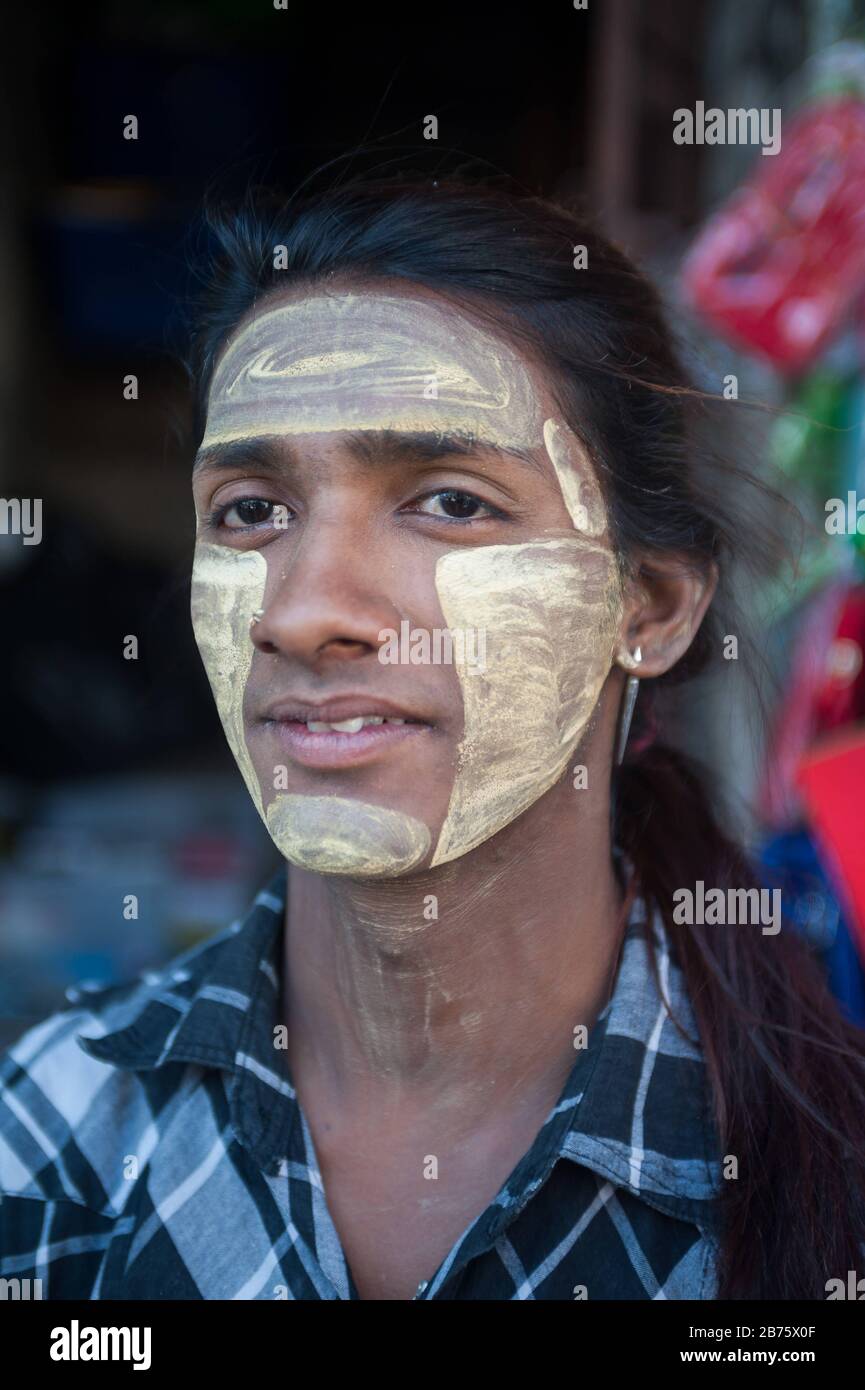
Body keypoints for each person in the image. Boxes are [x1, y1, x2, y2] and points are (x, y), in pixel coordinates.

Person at [3, 174, 865, 1301]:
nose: (303, 609)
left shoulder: (813, 1179)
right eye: (252, 509)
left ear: (647, 605)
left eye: (451, 500)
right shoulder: (44, 1139)